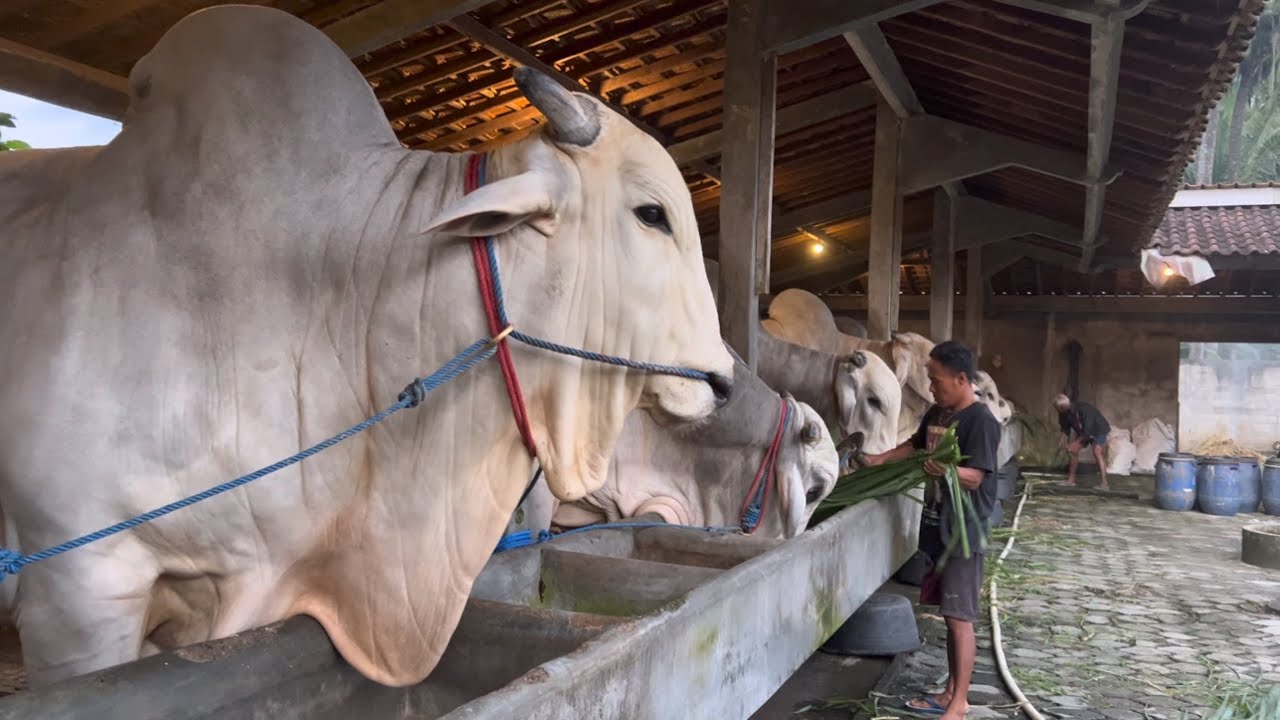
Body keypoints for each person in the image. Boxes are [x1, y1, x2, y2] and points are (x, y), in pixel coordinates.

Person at [864, 340, 1000, 720]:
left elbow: (977, 477)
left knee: (961, 617)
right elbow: (915, 445)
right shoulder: (939, 413)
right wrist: (878, 460)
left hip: (963, 534)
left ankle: (959, 704)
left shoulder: (981, 422)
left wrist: (949, 471)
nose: (931, 386)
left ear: (961, 379)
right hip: (938, 527)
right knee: (949, 614)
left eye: (936, 379)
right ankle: (949, 690)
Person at [1053, 393, 1112, 490]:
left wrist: (1076, 443)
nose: (1056, 410)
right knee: (1073, 451)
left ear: (1062, 407)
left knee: (1097, 451)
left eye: (1057, 408)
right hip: (1084, 431)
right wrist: (1062, 438)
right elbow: (1065, 427)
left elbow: (1088, 431)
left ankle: (1104, 484)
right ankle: (1071, 481)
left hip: (1098, 429)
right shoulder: (1064, 412)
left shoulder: (1085, 409)